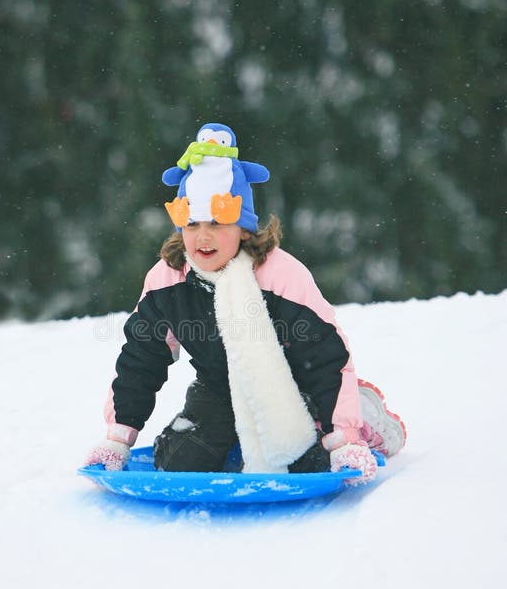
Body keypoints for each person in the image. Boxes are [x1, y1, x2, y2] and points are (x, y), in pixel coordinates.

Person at [87, 122, 406, 482]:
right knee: (180, 462)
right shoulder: (168, 280)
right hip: (218, 387)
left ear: (243, 227)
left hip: (293, 385)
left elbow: (325, 356)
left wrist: (344, 440)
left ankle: (360, 414)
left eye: (218, 223)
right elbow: (140, 361)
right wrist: (118, 437)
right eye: (192, 224)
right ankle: (233, 436)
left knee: (307, 466)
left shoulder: (280, 276)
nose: (203, 237)